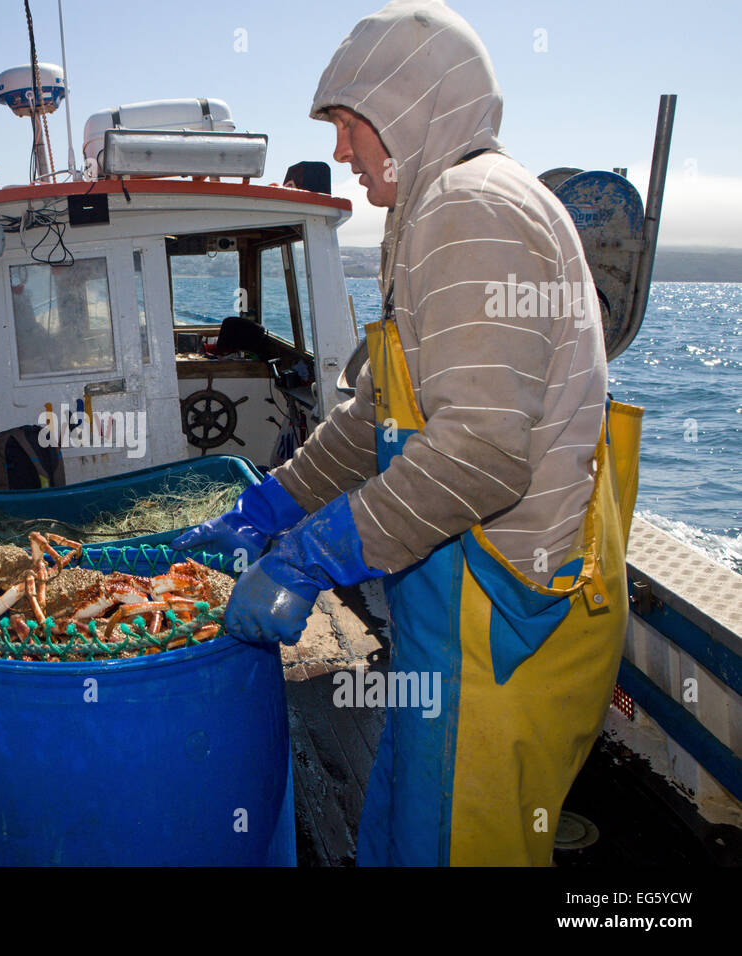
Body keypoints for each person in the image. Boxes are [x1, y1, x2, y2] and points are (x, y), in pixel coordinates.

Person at [174, 0, 637, 866]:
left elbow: (484, 455)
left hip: (502, 629)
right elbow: (381, 414)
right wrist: (276, 501)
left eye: (350, 124)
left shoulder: (472, 209)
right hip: (449, 618)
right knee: (394, 840)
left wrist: (315, 555)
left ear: (412, 108)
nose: (340, 150)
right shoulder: (437, 210)